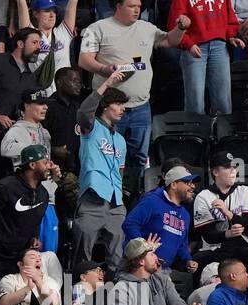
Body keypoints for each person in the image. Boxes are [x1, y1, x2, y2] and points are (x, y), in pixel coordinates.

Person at [79, 0, 194, 174]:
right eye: (131, 6)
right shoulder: (97, 28)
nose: (137, 10)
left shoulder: (146, 28)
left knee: (139, 158)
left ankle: (136, 194)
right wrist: (104, 69)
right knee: (109, 156)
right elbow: (84, 60)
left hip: (141, 107)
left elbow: (170, 41)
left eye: (139, 7)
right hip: (109, 109)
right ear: (118, 6)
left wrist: (181, 28)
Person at [74, 70, 128, 276]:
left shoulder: (121, 140)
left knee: (117, 259)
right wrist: (107, 83)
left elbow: (120, 171)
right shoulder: (91, 127)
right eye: (118, 104)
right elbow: (83, 111)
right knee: (82, 256)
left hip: (116, 203)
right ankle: (79, 302)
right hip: (92, 198)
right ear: (105, 106)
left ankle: (115, 301)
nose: (122, 109)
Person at [0, 144, 54, 277]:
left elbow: (35, 220)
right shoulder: (5, 187)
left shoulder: (43, 194)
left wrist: (34, 238)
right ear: (32, 165)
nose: (49, 166)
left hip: (21, 257)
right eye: (45, 162)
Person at [169, 0, 244, 116]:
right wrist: (188, 44)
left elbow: (231, 20)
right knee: (195, 100)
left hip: (220, 45)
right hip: (194, 46)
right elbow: (174, 25)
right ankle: (195, 132)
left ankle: (222, 132)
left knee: (223, 99)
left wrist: (231, 36)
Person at [122, 164, 199, 272]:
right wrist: (143, 248)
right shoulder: (152, 201)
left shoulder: (185, 215)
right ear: (173, 184)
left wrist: (188, 260)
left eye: (192, 183)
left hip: (163, 270)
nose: (193, 186)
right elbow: (129, 224)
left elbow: (182, 245)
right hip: (139, 266)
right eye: (187, 183)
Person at [192, 150, 248, 270]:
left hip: (243, 246)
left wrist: (228, 214)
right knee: (199, 259)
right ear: (215, 172)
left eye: (234, 167)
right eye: (227, 167)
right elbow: (207, 235)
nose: (233, 171)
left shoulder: (244, 191)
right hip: (215, 249)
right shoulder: (204, 197)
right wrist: (227, 234)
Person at [16, 0, 77, 99]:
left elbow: (73, 3)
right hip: (38, 95)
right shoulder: (30, 34)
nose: (52, 15)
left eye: (54, 11)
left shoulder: (62, 33)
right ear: (36, 14)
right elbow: (21, 4)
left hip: (62, 96)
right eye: (47, 11)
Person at [0, 89, 55, 168]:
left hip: (42, 177)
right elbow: (5, 149)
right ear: (27, 106)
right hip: (25, 178)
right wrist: (33, 149)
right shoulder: (18, 129)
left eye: (46, 103)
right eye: (40, 103)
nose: (46, 107)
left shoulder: (45, 132)